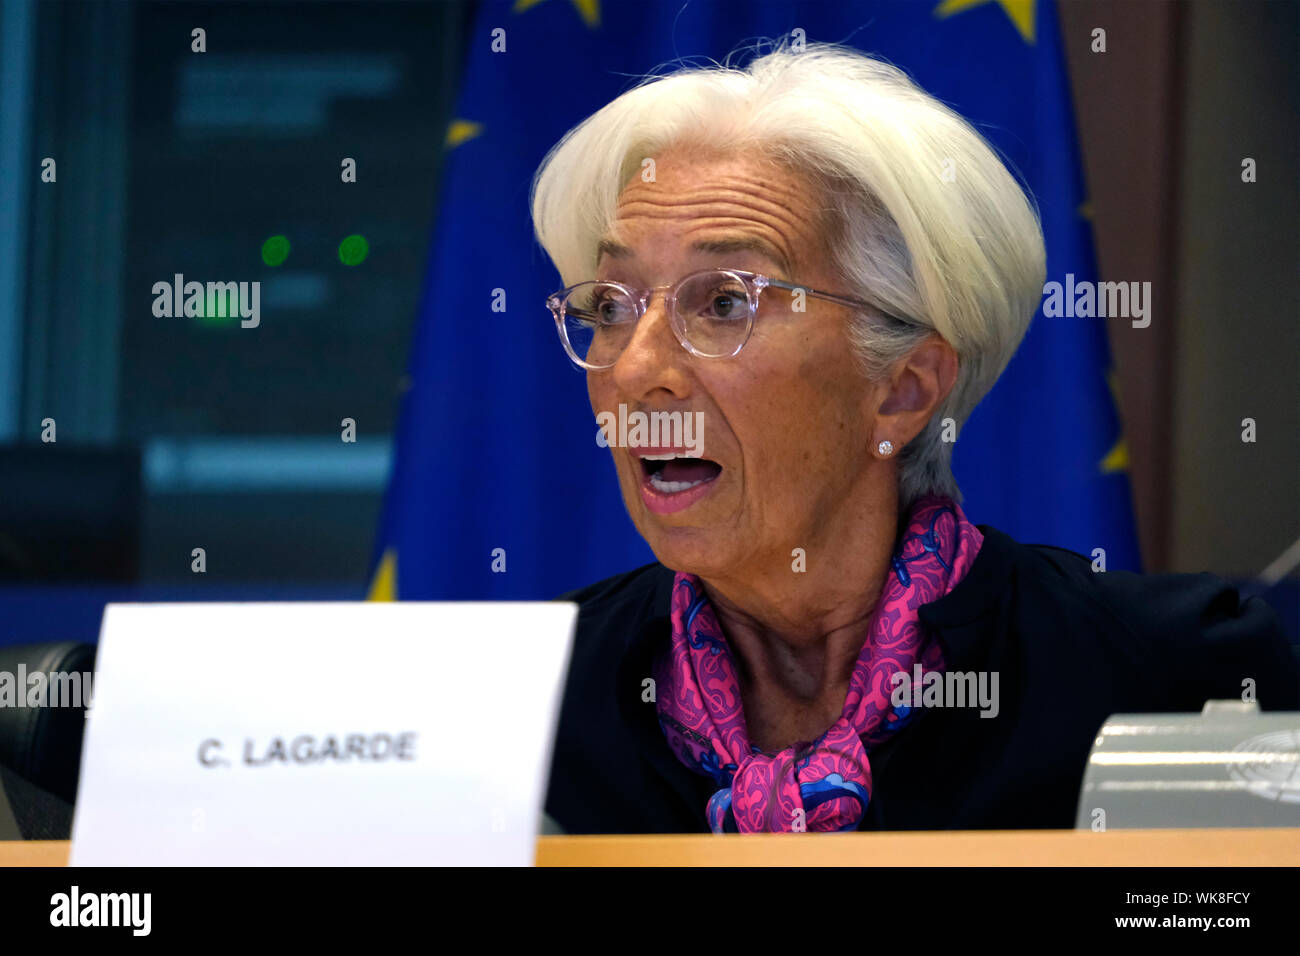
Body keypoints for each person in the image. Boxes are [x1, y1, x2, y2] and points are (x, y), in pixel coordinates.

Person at [530, 43, 1299, 834]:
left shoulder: (1174, 676)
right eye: (613, 305)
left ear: (905, 389)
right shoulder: (527, 704)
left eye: (724, 303)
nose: (636, 370)